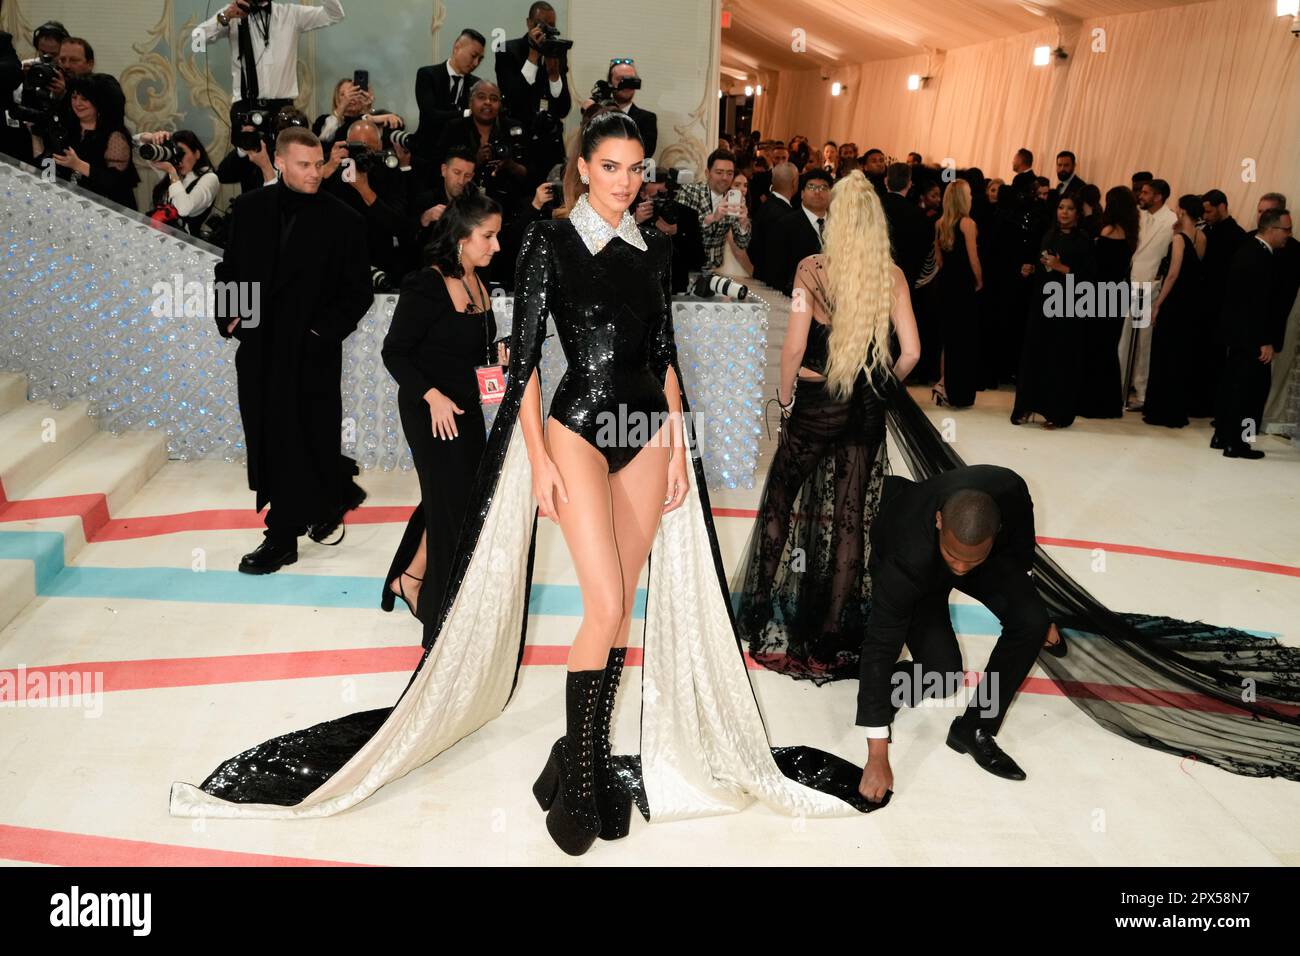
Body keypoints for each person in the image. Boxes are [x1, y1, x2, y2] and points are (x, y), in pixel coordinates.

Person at [171, 108, 880, 849]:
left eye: (636, 169)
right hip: (575, 427)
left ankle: (577, 756)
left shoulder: (653, 250)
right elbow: (528, 356)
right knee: (603, 604)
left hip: (644, 431)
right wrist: (538, 459)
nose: (624, 182)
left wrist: (675, 440)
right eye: (610, 167)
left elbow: (663, 350)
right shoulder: (549, 240)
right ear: (583, 168)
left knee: (620, 608)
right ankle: (576, 784)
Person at [733, 170, 920, 681]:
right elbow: (912, 352)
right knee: (850, 518)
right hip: (864, 406)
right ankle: (835, 630)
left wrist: (786, 394)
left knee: (779, 499)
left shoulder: (812, 270)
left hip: (817, 402)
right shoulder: (893, 275)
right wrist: (881, 385)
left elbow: (794, 346)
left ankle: (754, 610)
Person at [212, 126, 374, 573]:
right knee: (269, 440)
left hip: (311, 356)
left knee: (302, 438)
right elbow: (230, 269)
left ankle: (282, 537)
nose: (314, 173)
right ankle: (329, 496)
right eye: (304, 164)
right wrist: (230, 315)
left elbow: (358, 293)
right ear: (279, 162)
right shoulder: (248, 208)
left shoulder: (346, 221)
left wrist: (320, 335)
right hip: (261, 352)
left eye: (318, 163)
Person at [857, 465, 1064, 801]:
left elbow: (1021, 554)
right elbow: (882, 644)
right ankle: (895, 685)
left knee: (1031, 621)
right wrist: (877, 756)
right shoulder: (904, 557)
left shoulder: (1010, 491)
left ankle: (974, 728)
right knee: (943, 676)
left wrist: (1033, 609)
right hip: (920, 565)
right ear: (939, 521)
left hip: (972, 548)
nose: (960, 569)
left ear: (996, 530)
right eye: (954, 558)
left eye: (971, 561)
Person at [381, 189, 507, 648]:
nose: (496, 246)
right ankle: (442, 614)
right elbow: (394, 352)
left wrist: (500, 358)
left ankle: (408, 578)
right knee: (451, 501)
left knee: (455, 498)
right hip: (430, 411)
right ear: (461, 236)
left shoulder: (478, 283)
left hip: (466, 410)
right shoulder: (426, 284)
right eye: (488, 236)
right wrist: (431, 395)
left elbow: (475, 356)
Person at [1011, 194, 1097, 428]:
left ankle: (1056, 413)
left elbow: (1088, 279)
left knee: (1060, 360)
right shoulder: (1049, 235)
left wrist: (1061, 267)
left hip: (1068, 307)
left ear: (1078, 213)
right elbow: (1043, 267)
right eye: (1061, 207)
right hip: (1042, 304)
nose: (1064, 212)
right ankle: (1027, 406)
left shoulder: (1083, 241)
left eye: (1070, 208)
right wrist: (1031, 270)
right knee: (1035, 354)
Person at [1214, 207, 1292, 459]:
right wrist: (1265, 341)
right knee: (1251, 394)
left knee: (1233, 387)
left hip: (1238, 336)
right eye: (1286, 230)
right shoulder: (1261, 257)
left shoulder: (1247, 251)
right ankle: (1240, 443)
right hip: (1253, 338)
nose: (1288, 235)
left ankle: (1223, 436)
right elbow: (1258, 306)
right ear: (1271, 229)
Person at [199, 0, 346, 121]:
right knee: (247, 156)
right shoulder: (232, 13)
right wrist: (225, 16)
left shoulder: (291, 13)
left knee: (285, 155)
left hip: (283, 108)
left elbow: (335, 15)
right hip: (245, 106)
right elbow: (197, 38)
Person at [1143, 195, 1206, 428]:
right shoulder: (1202, 238)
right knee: (1180, 357)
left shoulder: (1179, 239)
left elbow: (1173, 274)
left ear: (1182, 212)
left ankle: (1161, 410)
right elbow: (1196, 270)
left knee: (1164, 355)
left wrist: (1158, 303)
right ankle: (1176, 407)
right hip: (1191, 305)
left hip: (1175, 304)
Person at [31, 73, 139, 209]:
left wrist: (78, 165)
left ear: (101, 102)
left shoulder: (115, 135)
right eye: (74, 97)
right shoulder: (66, 127)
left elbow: (117, 183)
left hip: (108, 210)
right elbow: (47, 162)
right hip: (69, 205)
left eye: (84, 99)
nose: (77, 103)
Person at [1077, 186, 1138, 419]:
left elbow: (1097, 268)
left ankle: (1093, 403)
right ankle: (1109, 403)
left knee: (1095, 348)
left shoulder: (1109, 231)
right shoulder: (1131, 233)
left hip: (1102, 293)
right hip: (1119, 294)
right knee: (1108, 349)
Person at [931, 179, 983, 407]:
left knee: (948, 339)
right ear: (962, 198)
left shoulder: (939, 223)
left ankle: (944, 385)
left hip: (945, 285)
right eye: (969, 193)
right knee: (963, 339)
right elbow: (973, 258)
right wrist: (980, 280)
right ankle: (960, 392)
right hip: (962, 286)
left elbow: (939, 261)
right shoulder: (968, 223)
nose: (971, 197)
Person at [494, 2, 572, 126]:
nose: (546, 30)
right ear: (529, 23)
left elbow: (563, 109)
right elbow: (512, 100)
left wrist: (554, 75)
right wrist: (533, 56)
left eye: (551, 25)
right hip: (519, 133)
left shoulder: (557, 54)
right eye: (541, 25)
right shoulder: (507, 50)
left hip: (550, 135)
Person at [413, 28, 486, 153]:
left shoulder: (477, 84)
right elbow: (430, 114)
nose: (476, 63)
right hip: (427, 151)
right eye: (473, 56)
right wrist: (467, 113)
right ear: (457, 48)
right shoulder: (428, 75)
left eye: (480, 59)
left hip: (462, 155)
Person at [140, 129, 220, 236]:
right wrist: (151, 137)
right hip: (157, 237)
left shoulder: (210, 178)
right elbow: (136, 143)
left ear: (197, 154)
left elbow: (184, 209)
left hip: (186, 244)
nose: (179, 160)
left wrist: (171, 172)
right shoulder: (174, 171)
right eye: (175, 154)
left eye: (181, 153)